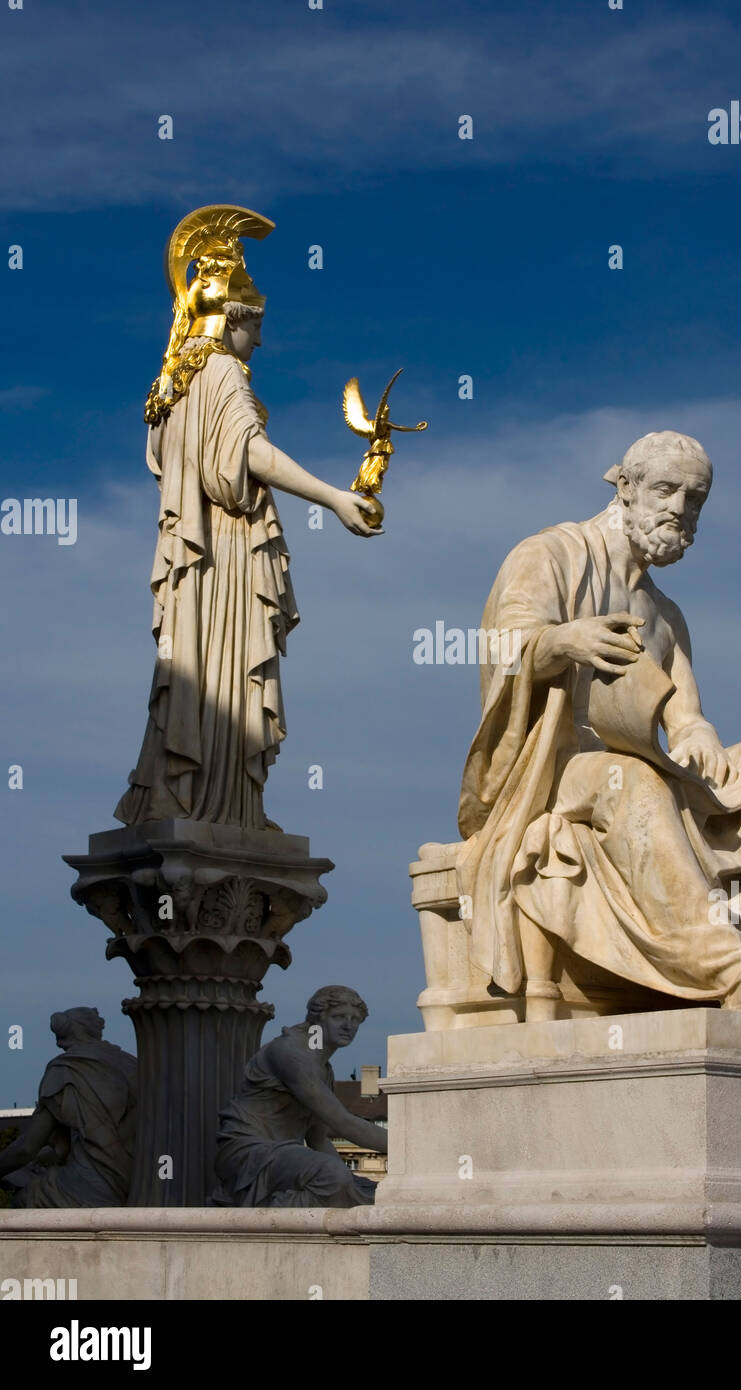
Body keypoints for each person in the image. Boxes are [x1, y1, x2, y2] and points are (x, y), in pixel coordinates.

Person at [458, 430, 741, 1020]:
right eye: (666, 490)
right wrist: (564, 640)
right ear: (624, 486)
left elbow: (686, 718)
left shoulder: (664, 616)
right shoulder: (550, 555)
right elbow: (503, 647)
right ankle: (731, 969)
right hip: (549, 771)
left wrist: (698, 738)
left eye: (695, 498)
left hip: (645, 764)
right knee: (630, 781)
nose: (679, 509)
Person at [115, 205, 378, 830]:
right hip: (224, 556)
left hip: (191, 565)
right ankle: (223, 807)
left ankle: (180, 793)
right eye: (255, 325)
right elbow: (250, 454)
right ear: (231, 319)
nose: (259, 339)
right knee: (225, 677)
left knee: (195, 675)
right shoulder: (223, 372)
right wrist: (337, 498)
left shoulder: (172, 387)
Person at [212, 986, 388, 1207]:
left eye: (355, 1019)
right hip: (249, 1153)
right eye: (339, 1017)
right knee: (333, 1177)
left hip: (284, 1159)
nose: (348, 1025)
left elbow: (318, 1139)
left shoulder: (325, 1070)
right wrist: (411, 1146)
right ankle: (273, 1210)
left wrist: (349, 1181)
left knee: (375, 1192)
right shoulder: (290, 1052)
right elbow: (343, 1123)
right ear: (317, 1018)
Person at [0, 1008, 137, 1207]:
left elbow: (26, 1148)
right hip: (133, 1182)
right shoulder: (130, 1063)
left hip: (89, 1184)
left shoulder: (64, 1070)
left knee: (25, 1200)